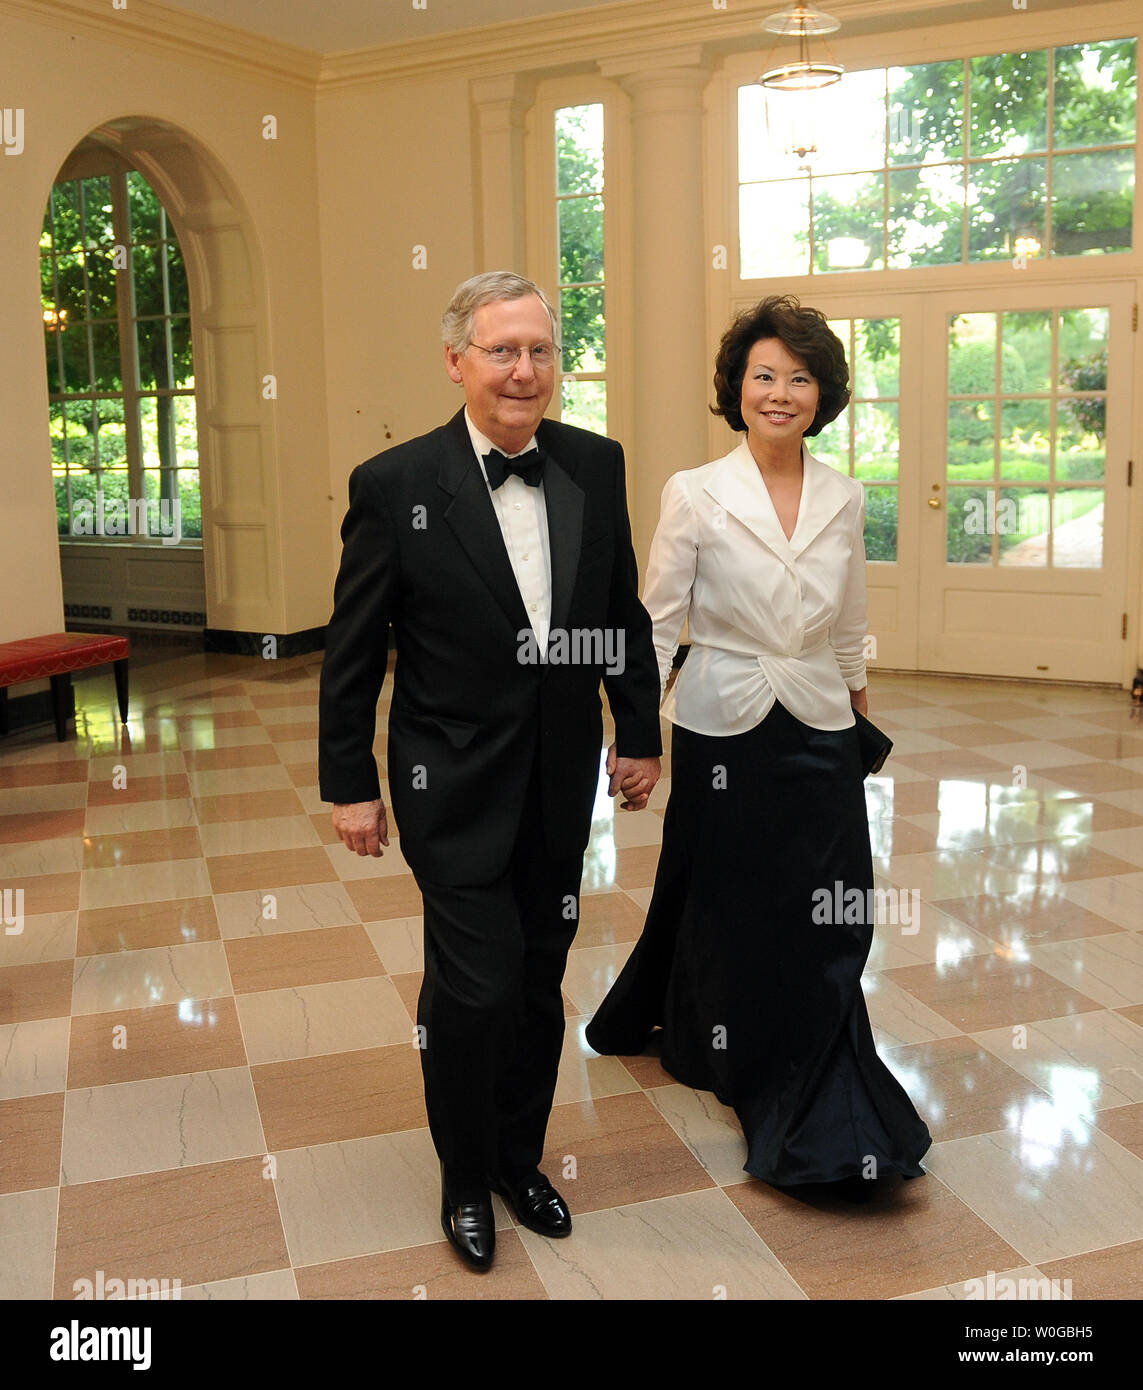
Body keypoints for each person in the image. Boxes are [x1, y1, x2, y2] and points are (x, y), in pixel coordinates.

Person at [318, 271, 662, 1271]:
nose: (523, 369)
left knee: (538, 980)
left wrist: (636, 731)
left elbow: (620, 614)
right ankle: (463, 1176)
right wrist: (351, 779)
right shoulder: (396, 486)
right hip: (450, 783)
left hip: (559, 781)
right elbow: (352, 649)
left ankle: (518, 1156)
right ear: (456, 361)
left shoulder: (595, 465)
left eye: (539, 351)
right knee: (476, 985)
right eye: (501, 349)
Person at [585, 295, 931, 1198]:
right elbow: (657, 622)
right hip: (719, 720)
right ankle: (718, 1044)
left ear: (824, 394)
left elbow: (851, 621)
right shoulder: (695, 491)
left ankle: (822, 1075)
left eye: (800, 378)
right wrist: (635, 736)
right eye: (764, 375)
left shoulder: (847, 496)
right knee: (728, 898)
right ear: (736, 388)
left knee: (830, 901)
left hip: (817, 718)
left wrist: (858, 709)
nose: (780, 393)